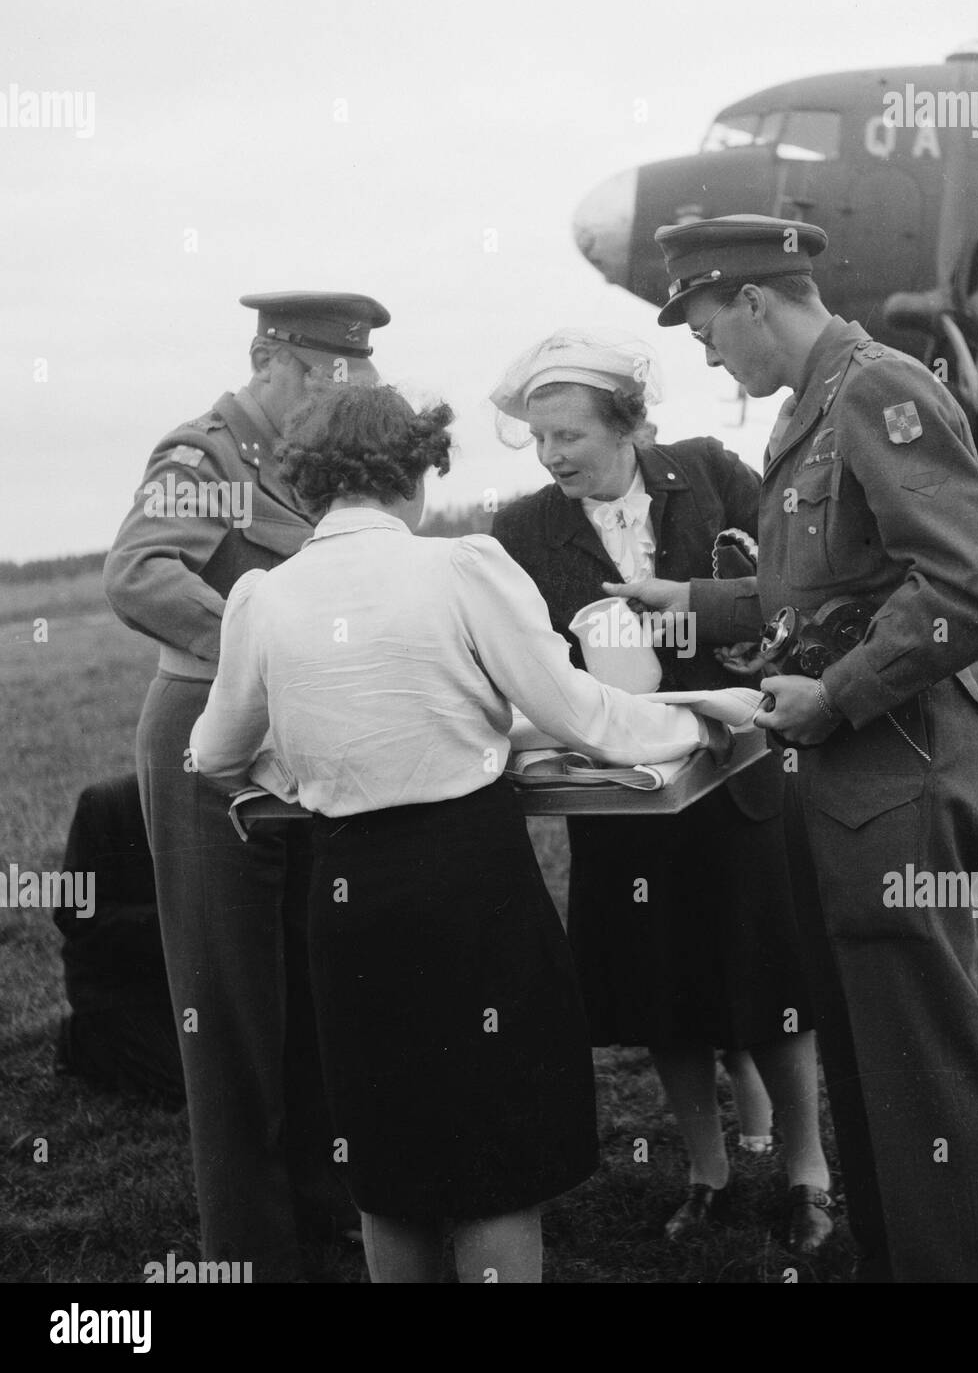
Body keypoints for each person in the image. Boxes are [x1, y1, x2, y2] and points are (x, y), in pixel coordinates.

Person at [188, 381, 727, 1283]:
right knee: (495, 1162)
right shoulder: (459, 567)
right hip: (468, 888)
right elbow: (578, 711)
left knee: (388, 1162)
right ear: (412, 472)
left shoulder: (261, 598)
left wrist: (309, 755)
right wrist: (702, 721)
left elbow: (212, 751)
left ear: (311, 485)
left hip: (349, 894)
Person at [608, 215, 978, 1282]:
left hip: (896, 773)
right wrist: (689, 601)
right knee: (868, 1058)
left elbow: (965, 591)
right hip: (852, 781)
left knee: (920, 1068)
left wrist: (832, 696)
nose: (707, 354)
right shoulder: (811, 409)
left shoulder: (880, 392)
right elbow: (818, 590)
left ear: (753, 300)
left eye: (706, 328)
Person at [489, 330, 832, 1252]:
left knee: (770, 977)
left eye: (570, 436)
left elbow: (794, 582)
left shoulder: (710, 472)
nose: (553, 456)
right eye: (538, 439)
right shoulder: (520, 532)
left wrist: (763, 642)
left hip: (738, 773)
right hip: (621, 796)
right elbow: (526, 661)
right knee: (657, 984)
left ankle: (807, 1171)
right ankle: (709, 1171)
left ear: (629, 425)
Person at [102, 291, 387, 1279]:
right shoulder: (206, 454)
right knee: (227, 1018)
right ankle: (250, 1255)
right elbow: (139, 574)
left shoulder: (316, 459)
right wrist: (266, 645)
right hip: (204, 749)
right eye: (326, 380)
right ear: (278, 361)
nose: (335, 401)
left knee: (314, 993)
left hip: (302, 741)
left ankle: (325, 1215)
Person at [53, 774, 185, 1109]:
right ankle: (82, 1042)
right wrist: (173, 921)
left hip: (193, 981)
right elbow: (73, 913)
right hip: (123, 985)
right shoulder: (105, 804)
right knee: (186, 1085)